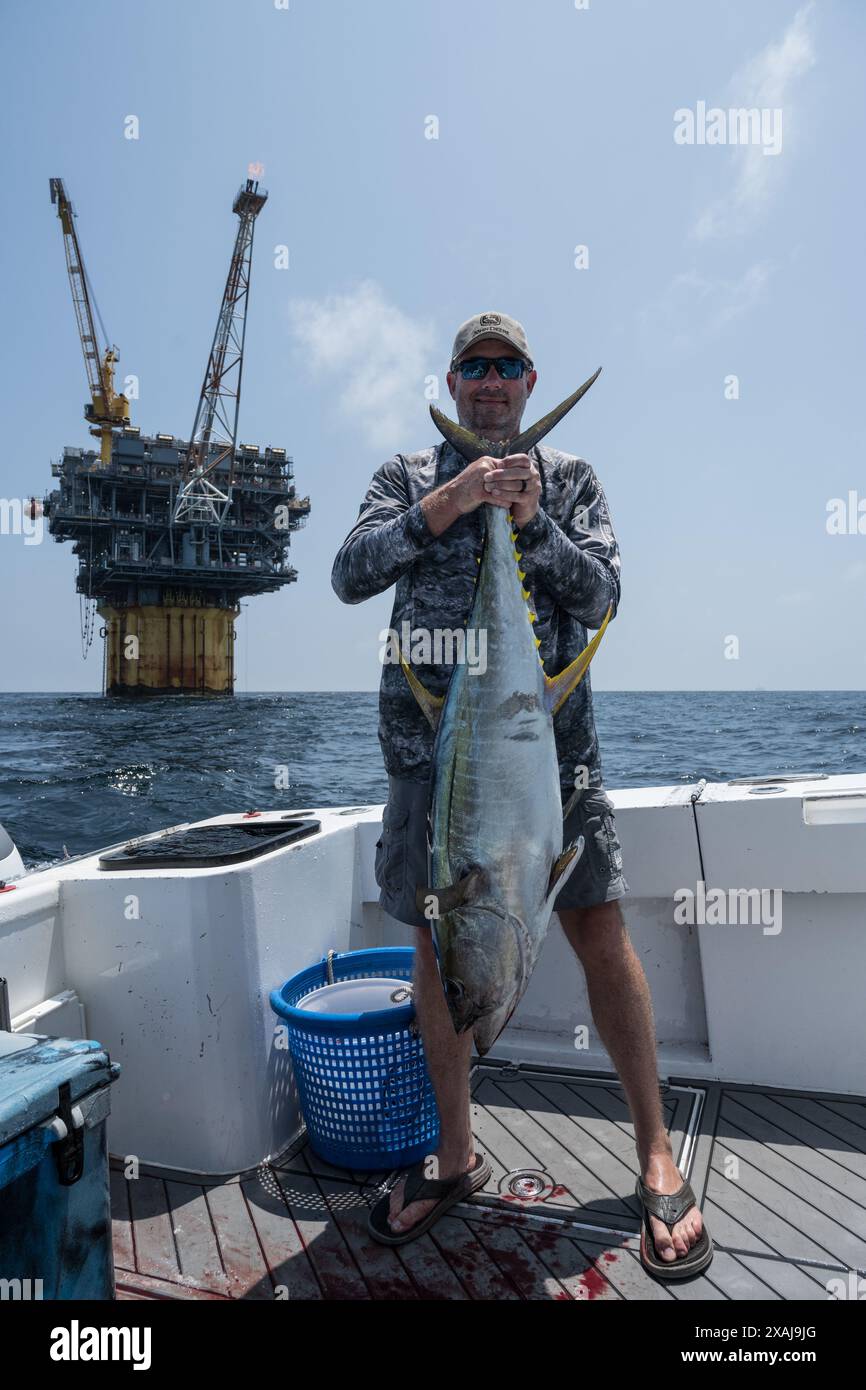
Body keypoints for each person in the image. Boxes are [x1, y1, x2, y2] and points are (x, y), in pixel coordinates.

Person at [331, 311, 712, 1279]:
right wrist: (452, 500)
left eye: (504, 368)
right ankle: (454, 1157)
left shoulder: (572, 479)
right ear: (451, 382)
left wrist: (531, 518)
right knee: (433, 946)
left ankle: (654, 1155)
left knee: (597, 932)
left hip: (547, 754)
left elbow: (601, 597)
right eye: (472, 368)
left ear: (528, 382)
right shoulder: (404, 476)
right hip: (428, 758)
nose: (488, 381)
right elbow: (346, 574)